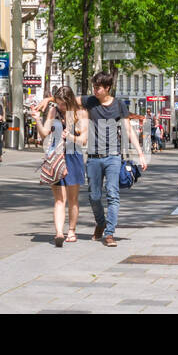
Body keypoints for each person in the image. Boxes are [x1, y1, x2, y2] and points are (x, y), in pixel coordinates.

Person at [82, 71, 148, 248]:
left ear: (107, 88)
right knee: (94, 196)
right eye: (94, 87)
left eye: (98, 88)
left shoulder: (119, 105)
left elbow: (128, 130)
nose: (95, 90)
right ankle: (101, 222)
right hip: (94, 157)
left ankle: (110, 233)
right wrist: (48, 100)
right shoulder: (90, 101)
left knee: (113, 194)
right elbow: (68, 98)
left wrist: (140, 152)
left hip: (113, 156)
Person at [32, 86, 87, 245]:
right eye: (58, 103)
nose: (60, 107)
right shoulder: (53, 111)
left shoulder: (80, 113)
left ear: (69, 101)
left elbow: (83, 140)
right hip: (55, 157)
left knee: (73, 198)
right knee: (58, 199)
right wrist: (37, 119)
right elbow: (44, 134)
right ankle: (59, 233)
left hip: (73, 156)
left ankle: (71, 230)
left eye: (63, 104)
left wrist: (70, 136)